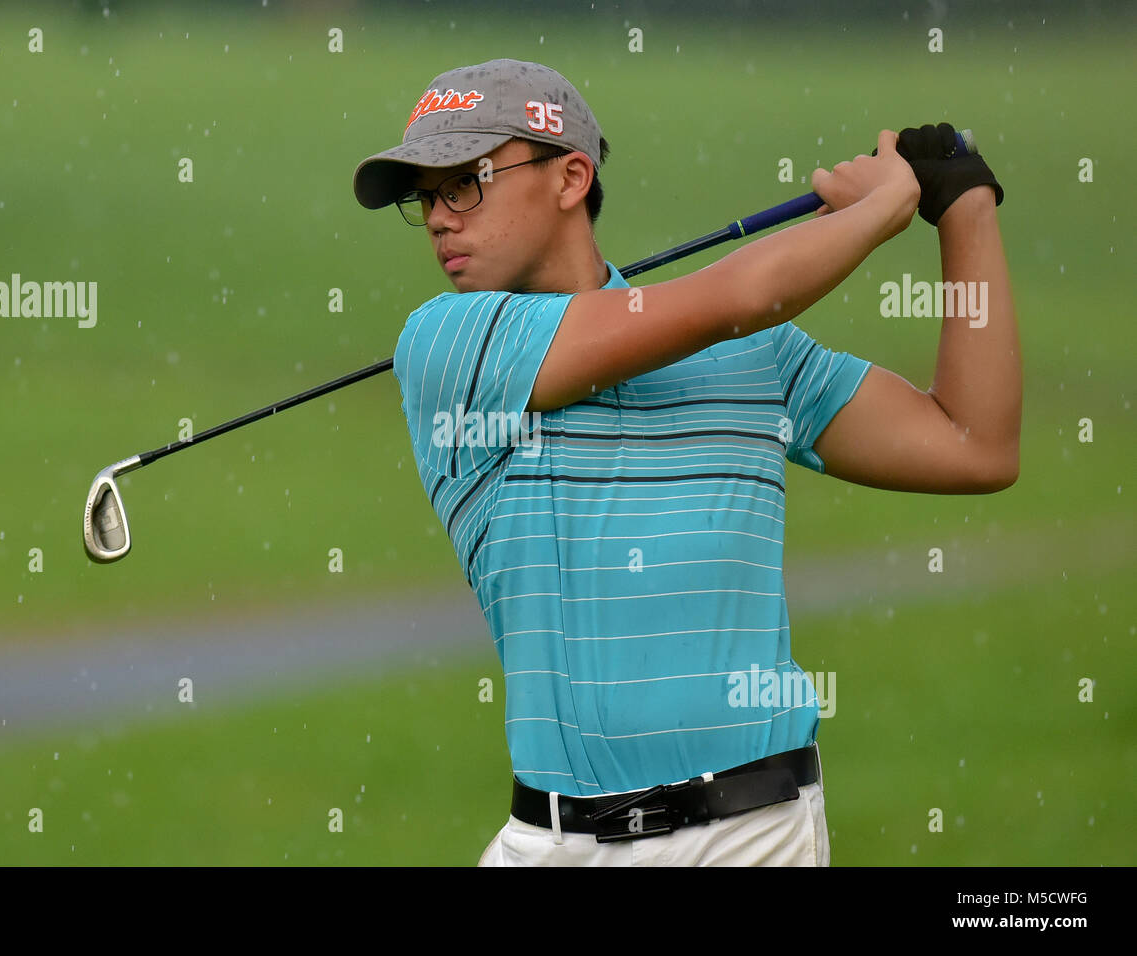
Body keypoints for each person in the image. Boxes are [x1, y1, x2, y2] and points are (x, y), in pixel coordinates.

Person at [352, 58, 1018, 866]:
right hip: (551, 843)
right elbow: (735, 298)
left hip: (754, 833)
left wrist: (964, 205)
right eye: (424, 196)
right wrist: (881, 209)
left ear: (570, 178)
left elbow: (974, 444)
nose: (437, 218)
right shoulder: (447, 345)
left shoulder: (758, 359)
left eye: (464, 183)